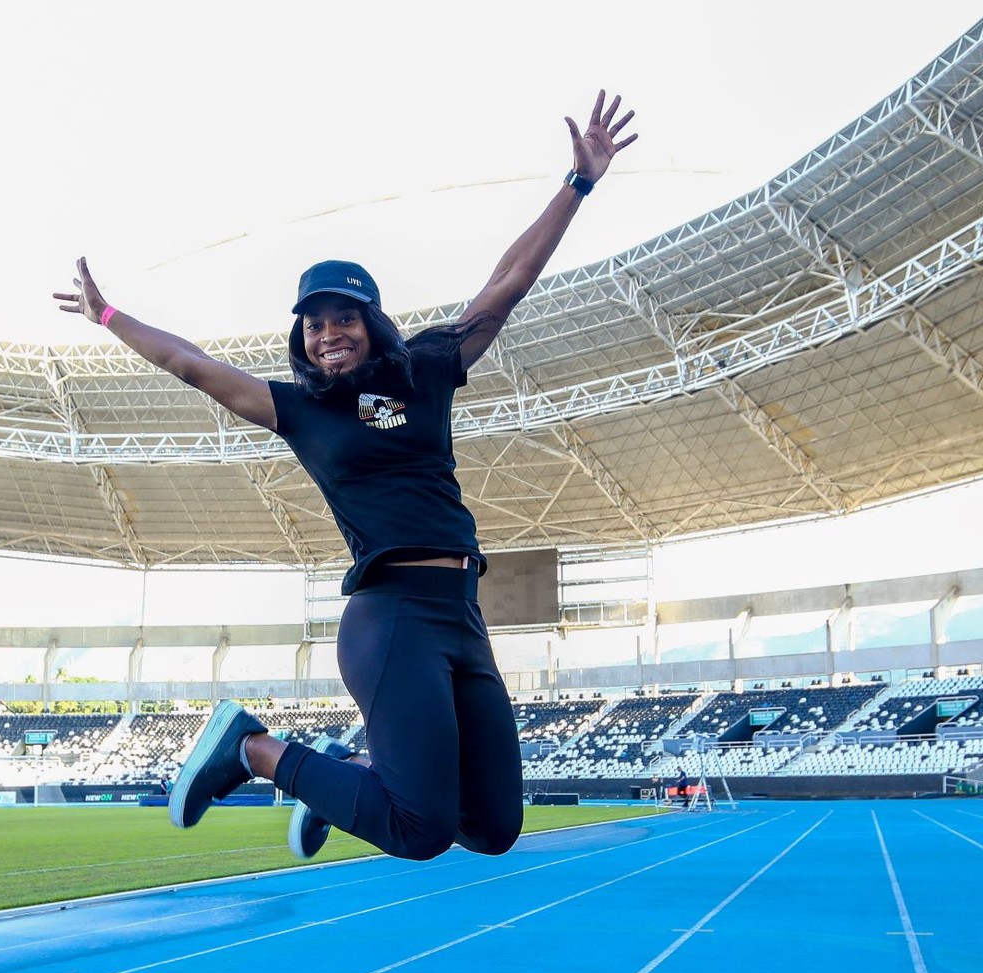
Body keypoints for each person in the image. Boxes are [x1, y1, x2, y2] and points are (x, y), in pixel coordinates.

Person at [55, 91, 637, 863]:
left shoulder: (427, 368)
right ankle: (254, 751)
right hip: (390, 615)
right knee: (419, 831)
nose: (328, 332)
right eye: (314, 322)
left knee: (493, 828)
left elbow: (510, 282)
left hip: (462, 614)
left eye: (344, 317)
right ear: (303, 335)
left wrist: (579, 183)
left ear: (372, 322)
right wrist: (108, 317)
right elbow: (189, 365)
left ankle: (345, 774)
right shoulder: (300, 410)